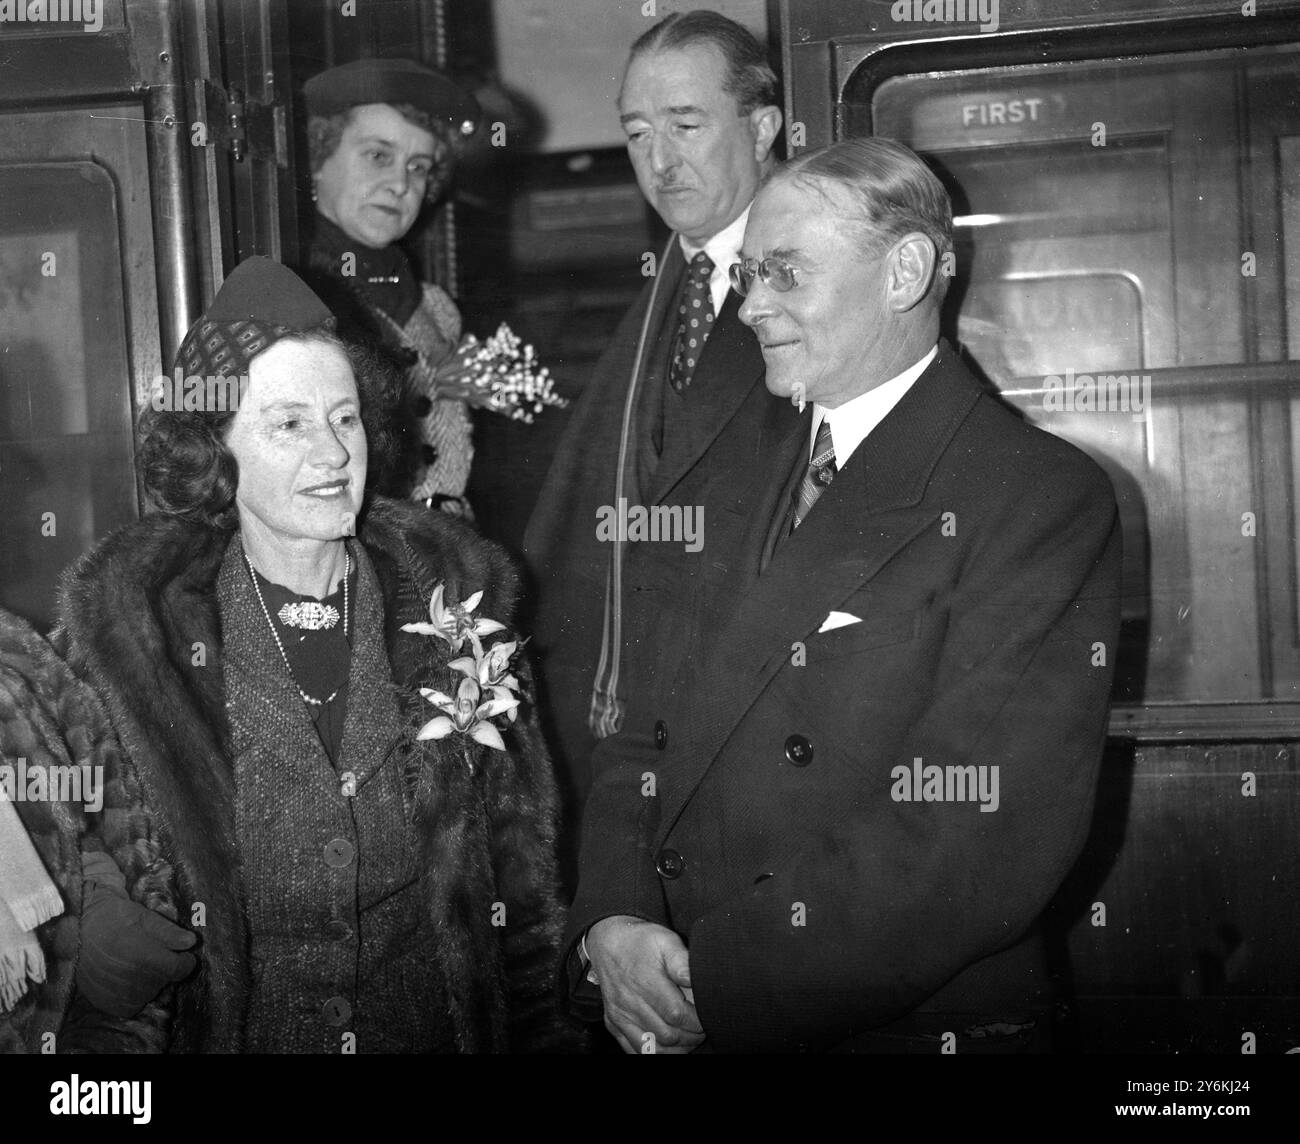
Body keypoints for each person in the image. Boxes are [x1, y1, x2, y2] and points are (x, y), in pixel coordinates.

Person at [562, 138, 1123, 1053]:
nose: (752, 306)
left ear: (905, 273)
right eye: (747, 275)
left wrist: (716, 980)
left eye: (784, 273)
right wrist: (613, 925)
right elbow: (640, 732)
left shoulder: (1034, 496)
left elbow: (970, 828)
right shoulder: (725, 475)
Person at [50, 256, 573, 1053]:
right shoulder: (130, 639)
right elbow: (55, 833)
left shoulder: (459, 609)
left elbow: (523, 887)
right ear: (214, 449)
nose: (333, 453)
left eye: (345, 418)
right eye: (289, 424)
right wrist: (86, 917)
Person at [523, 10, 786, 842]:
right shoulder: (670, 286)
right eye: (638, 134)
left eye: (686, 125)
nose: (660, 162)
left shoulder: (825, 270)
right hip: (655, 718)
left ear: (764, 128)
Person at [302, 57, 481, 514]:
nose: (400, 183)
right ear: (318, 160)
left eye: (418, 167)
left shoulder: (437, 309)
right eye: (378, 156)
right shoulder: (298, 295)